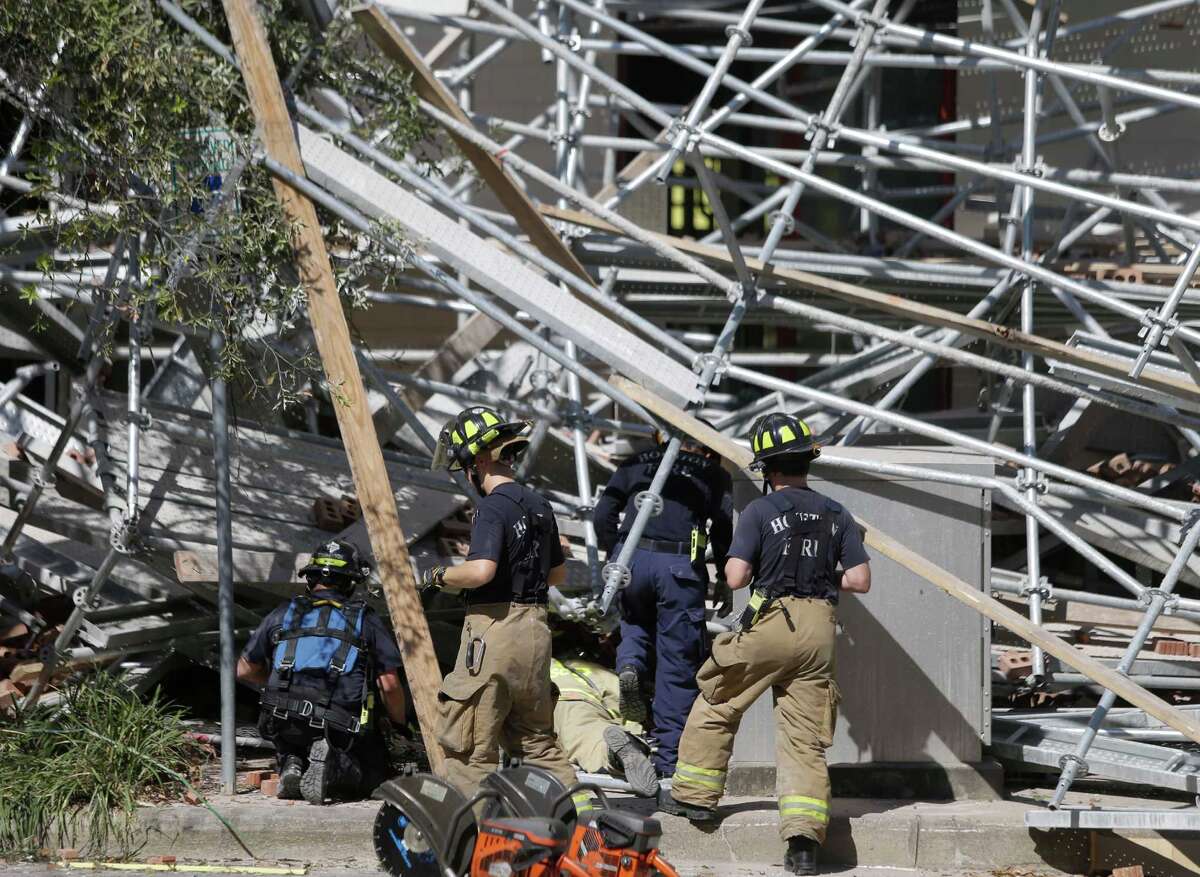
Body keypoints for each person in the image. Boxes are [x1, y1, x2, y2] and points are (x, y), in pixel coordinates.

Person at [665, 413, 872, 876]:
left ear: (767, 468)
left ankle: (695, 799)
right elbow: (859, 581)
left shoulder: (759, 512)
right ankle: (802, 842)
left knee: (719, 698)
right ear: (807, 461)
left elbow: (736, 576)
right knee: (804, 739)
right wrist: (822, 572)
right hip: (819, 629)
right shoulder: (838, 513)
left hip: (771, 620)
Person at [425, 406, 581, 805]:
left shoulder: (493, 507)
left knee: (470, 748)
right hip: (535, 631)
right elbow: (558, 576)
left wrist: (438, 576)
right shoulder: (539, 505)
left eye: (465, 468)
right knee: (539, 744)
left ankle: (478, 844)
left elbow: (479, 571)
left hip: (493, 631)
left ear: (479, 460)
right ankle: (585, 829)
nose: (468, 477)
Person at [592, 429, 733, 800]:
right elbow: (722, 530)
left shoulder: (636, 462)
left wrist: (617, 552)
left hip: (631, 560)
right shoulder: (711, 472)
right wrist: (724, 578)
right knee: (678, 662)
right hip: (677, 568)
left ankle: (632, 666)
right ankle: (669, 761)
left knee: (634, 624)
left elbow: (604, 512)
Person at [237, 539, 408, 804]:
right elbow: (389, 685)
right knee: (373, 777)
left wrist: (273, 685)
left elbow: (245, 669)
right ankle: (333, 767)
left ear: (311, 578)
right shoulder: (365, 619)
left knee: (290, 738)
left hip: (284, 720)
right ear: (351, 583)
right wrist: (399, 725)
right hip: (339, 725)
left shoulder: (284, 613)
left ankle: (292, 764)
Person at [550, 653, 658, 797]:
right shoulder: (594, 669)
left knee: (584, 738)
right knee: (592, 738)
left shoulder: (542, 663)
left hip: (550, 701)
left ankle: (619, 754)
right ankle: (624, 751)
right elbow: (626, 704)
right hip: (581, 702)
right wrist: (635, 730)